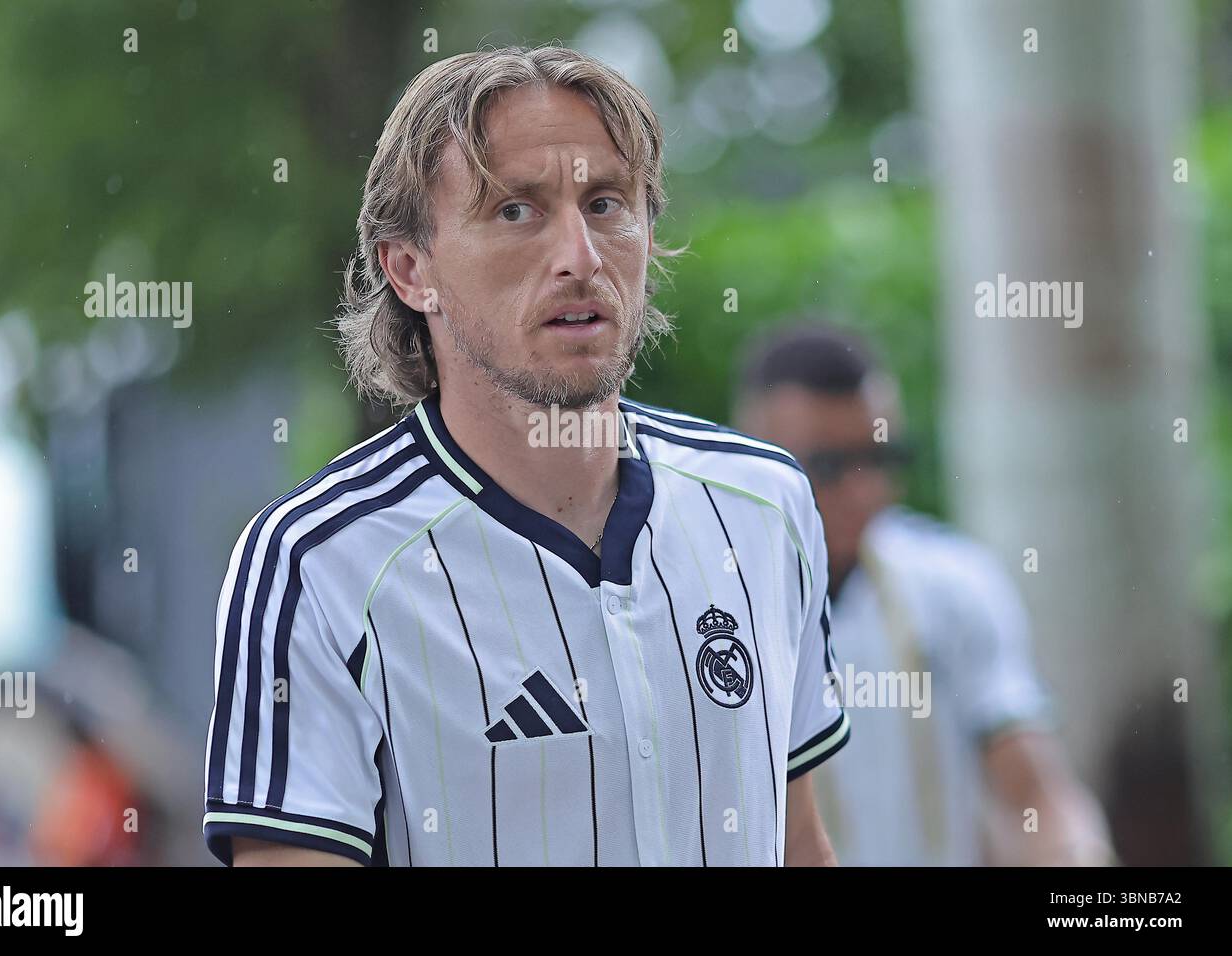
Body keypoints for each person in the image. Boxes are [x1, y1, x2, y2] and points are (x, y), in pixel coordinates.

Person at [202, 46, 849, 867]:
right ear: (410, 269)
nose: (580, 256)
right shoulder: (314, 563)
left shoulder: (765, 505)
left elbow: (800, 848)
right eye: (517, 211)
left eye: (608, 203)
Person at [735, 323, 1112, 866]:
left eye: (880, 458)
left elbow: (1036, 795)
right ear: (752, 460)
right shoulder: (708, 601)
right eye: (830, 466)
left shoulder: (952, 582)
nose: (865, 489)